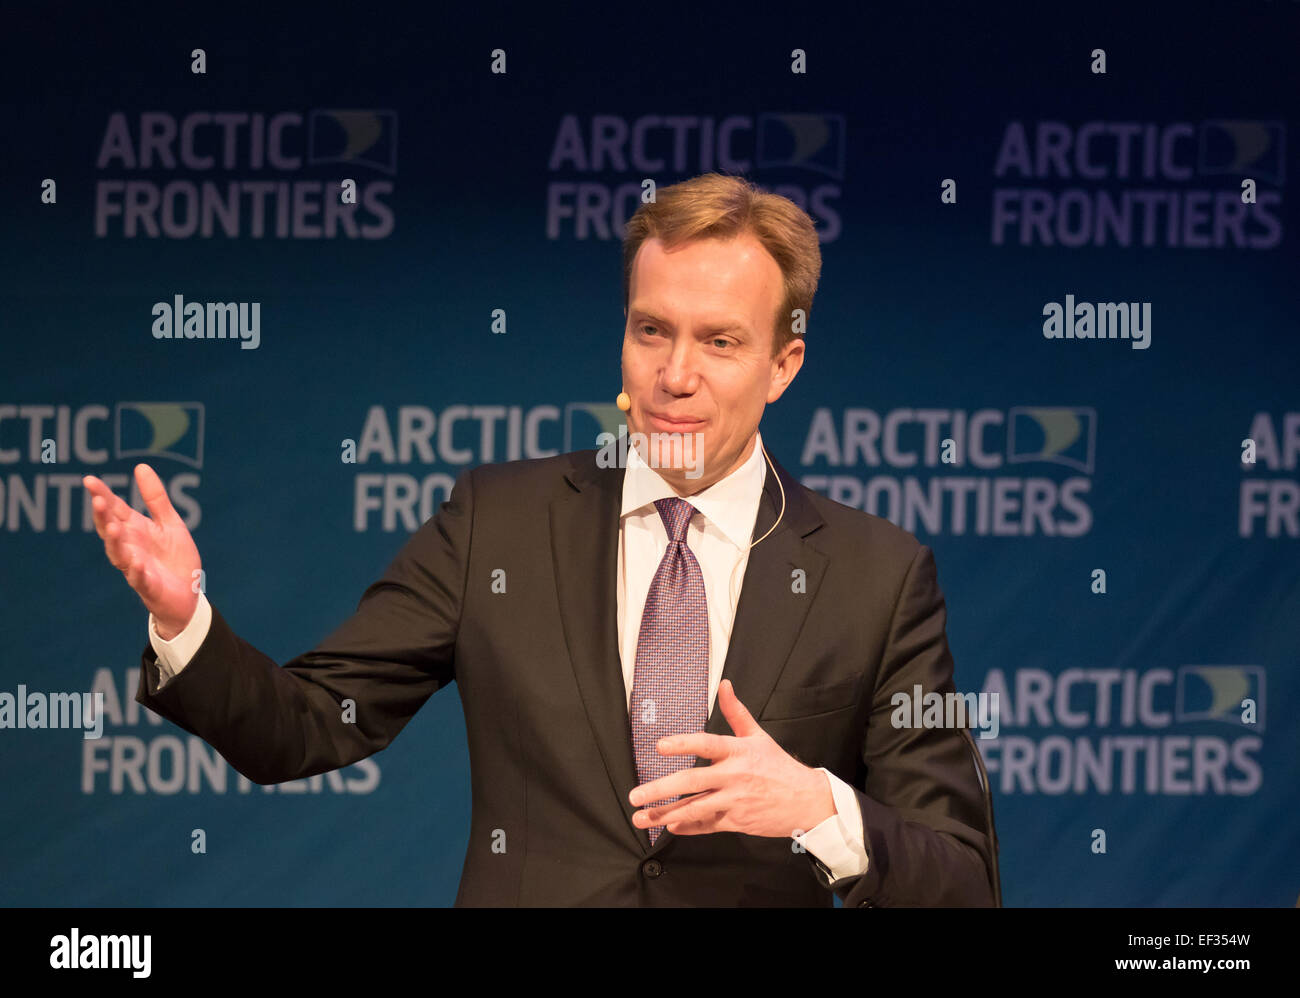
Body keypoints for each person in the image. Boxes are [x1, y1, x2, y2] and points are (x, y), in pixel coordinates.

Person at [84, 173, 995, 906]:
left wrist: (818, 808)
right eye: (651, 331)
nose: (675, 375)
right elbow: (309, 726)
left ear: (782, 364)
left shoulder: (877, 577)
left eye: (719, 342)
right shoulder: (499, 522)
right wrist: (184, 622)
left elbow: (963, 879)